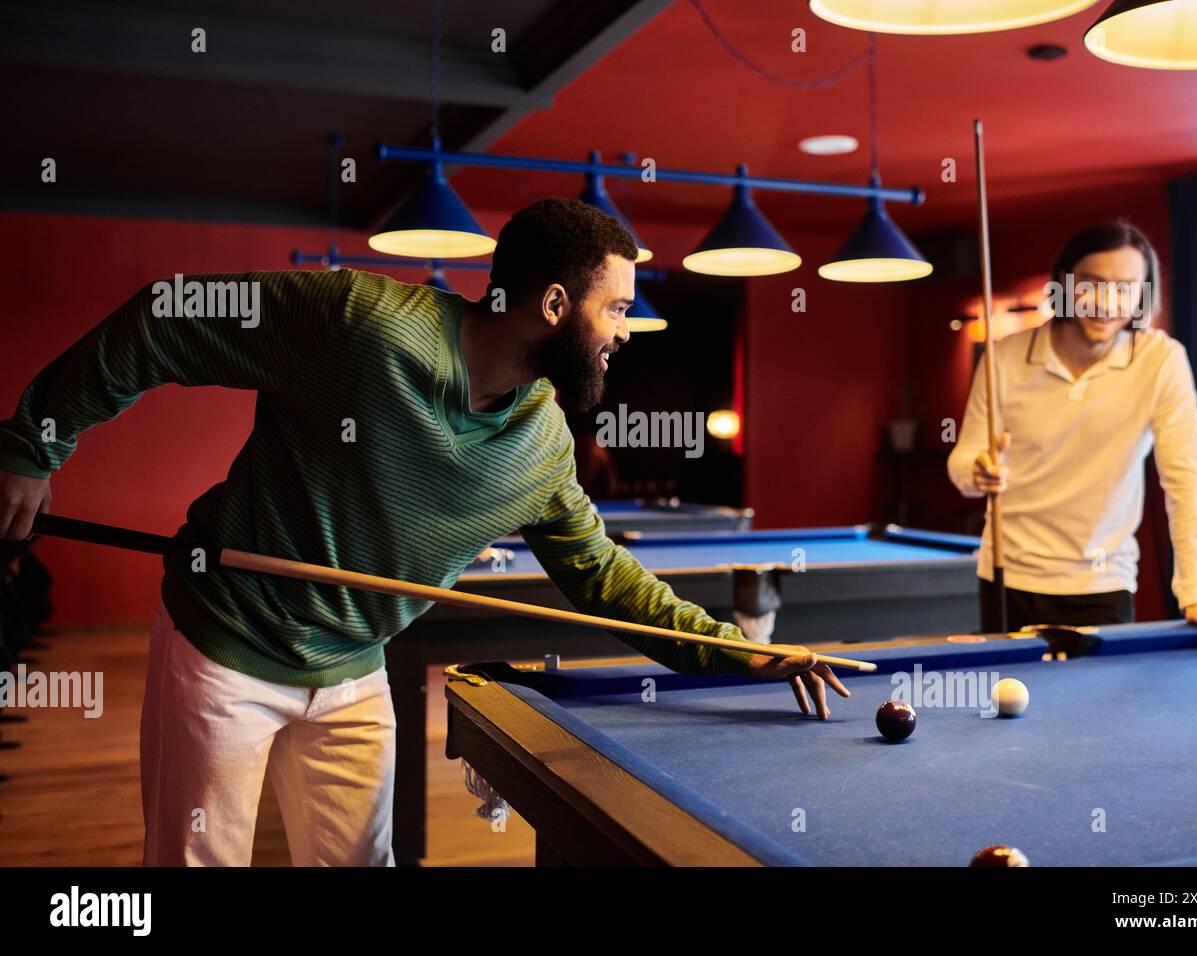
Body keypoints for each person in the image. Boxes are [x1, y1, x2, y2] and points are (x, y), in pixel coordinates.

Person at [0, 198, 846, 867]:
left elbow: (607, 584)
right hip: (228, 647)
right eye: (616, 308)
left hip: (356, 671)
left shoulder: (545, 444)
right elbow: (169, 315)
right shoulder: (361, 326)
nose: (627, 330)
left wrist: (744, 654)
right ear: (553, 305)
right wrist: (35, 443)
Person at [947, 220, 1197, 651]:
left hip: (1104, 581)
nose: (1108, 301)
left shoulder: (1161, 360)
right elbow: (964, 457)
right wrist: (976, 470)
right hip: (1009, 575)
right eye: (1092, 284)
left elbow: (1186, 480)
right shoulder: (1005, 357)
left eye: (1126, 286)